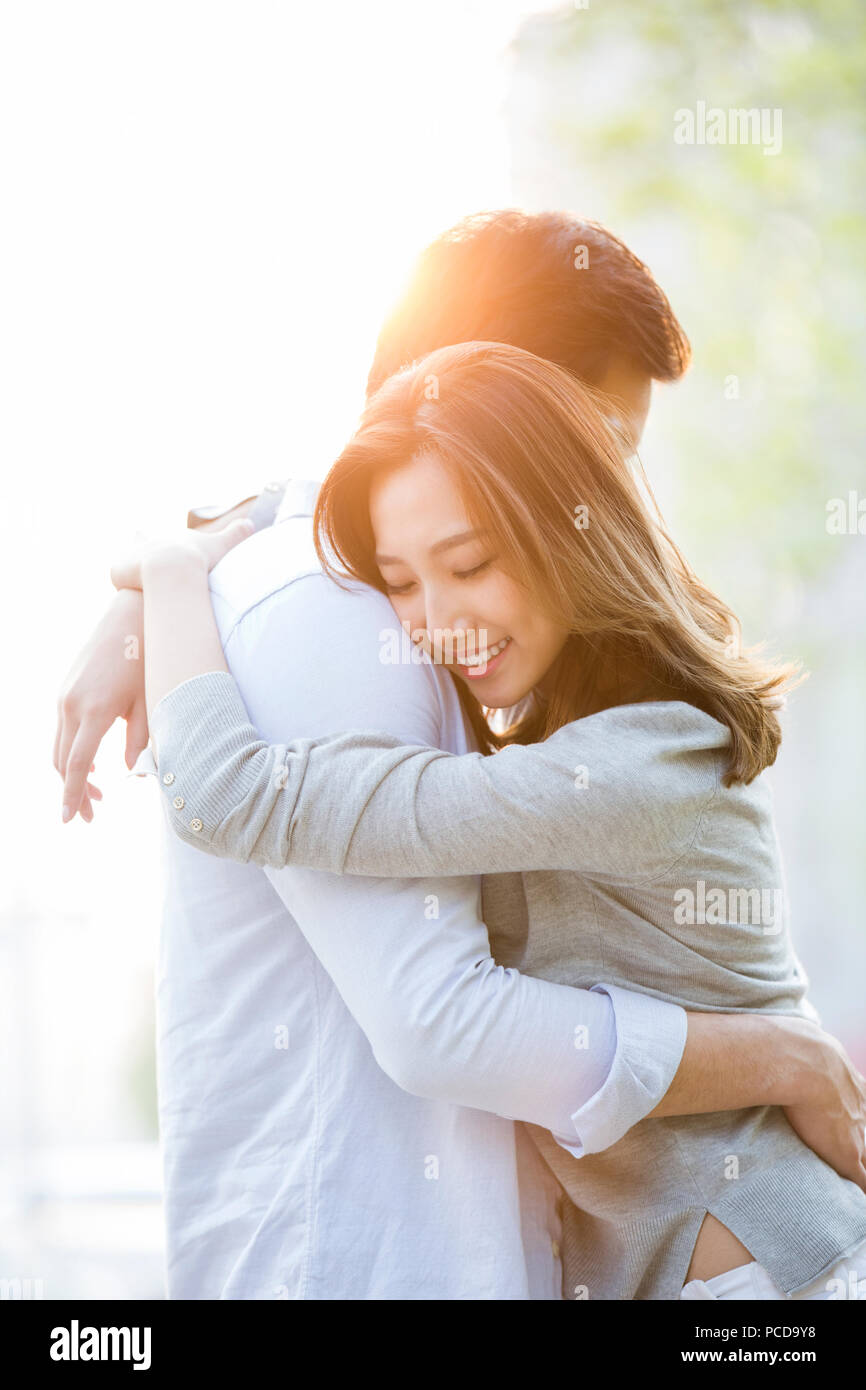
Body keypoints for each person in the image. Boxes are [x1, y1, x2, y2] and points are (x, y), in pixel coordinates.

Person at [55, 211, 866, 1300]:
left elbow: (251, 796)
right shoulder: (334, 608)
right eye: (598, 444)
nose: (609, 493)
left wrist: (178, 562)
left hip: (754, 1271)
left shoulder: (605, 737)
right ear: (495, 402)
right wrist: (173, 563)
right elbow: (441, 1024)